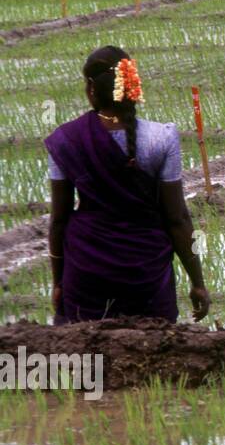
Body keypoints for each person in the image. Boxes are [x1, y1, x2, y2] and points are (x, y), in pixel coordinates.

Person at [45, 46, 209, 324]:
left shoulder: (66, 139)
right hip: (145, 273)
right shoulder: (161, 138)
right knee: (153, 354)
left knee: (85, 356)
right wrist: (198, 282)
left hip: (87, 272)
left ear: (91, 90)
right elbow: (178, 219)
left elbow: (59, 220)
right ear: (132, 87)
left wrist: (59, 281)